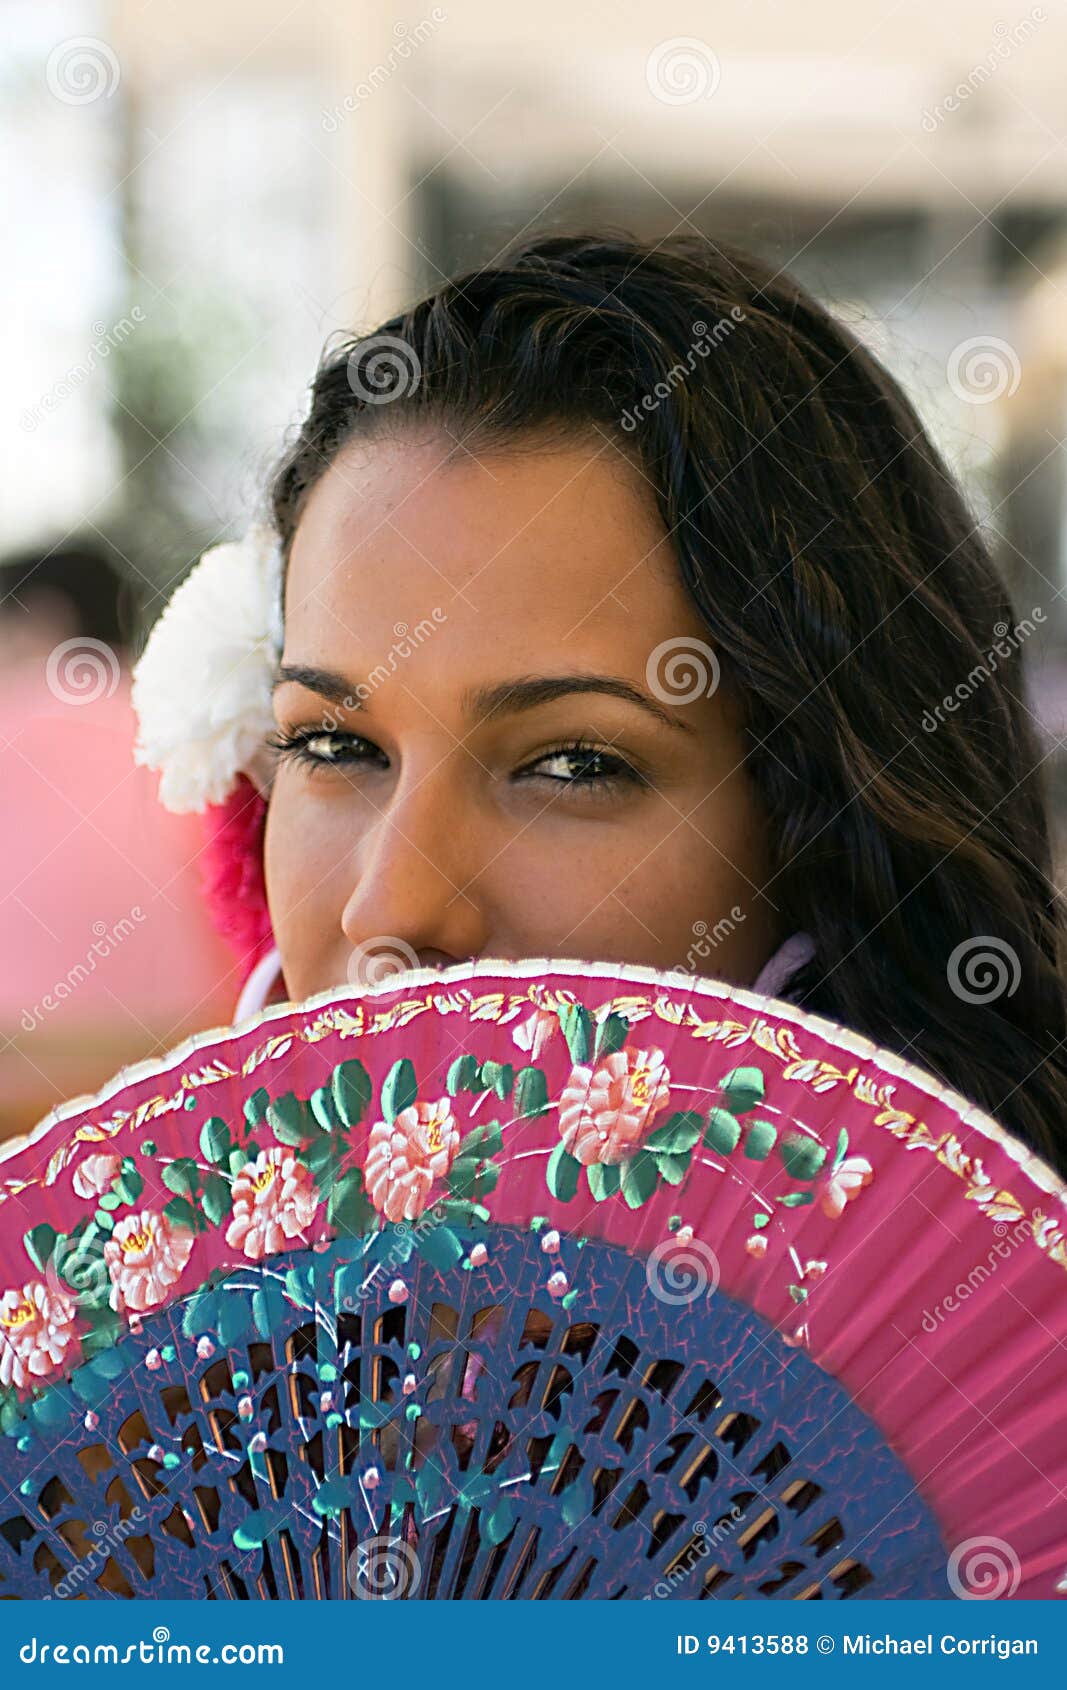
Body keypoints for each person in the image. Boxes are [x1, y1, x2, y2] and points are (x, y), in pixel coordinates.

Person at [131, 230, 1067, 1179]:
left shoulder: (988, 1306)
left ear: (817, 827)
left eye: (573, 764)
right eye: (333, 745)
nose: (391, 908)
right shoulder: (140, 1299)